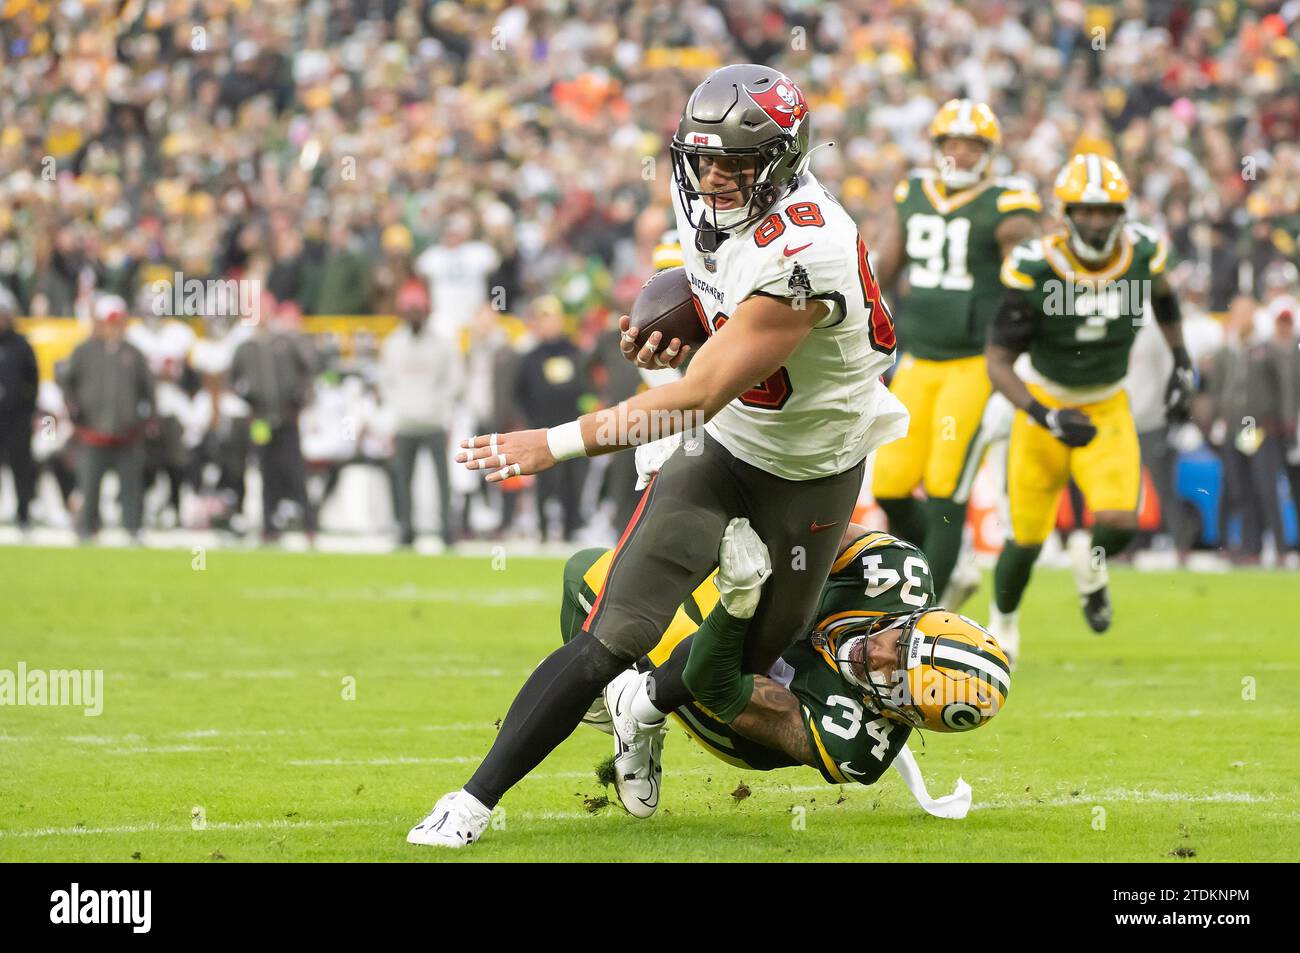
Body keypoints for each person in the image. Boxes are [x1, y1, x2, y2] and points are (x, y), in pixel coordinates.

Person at [409, 65, 907, 847]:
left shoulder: (811, 245)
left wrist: (555, 443)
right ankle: (471, 800)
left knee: (747, 661)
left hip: (815, 466)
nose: (713, 177)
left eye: (737, 163)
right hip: (725, 449)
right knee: (613, 633)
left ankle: (642, 707)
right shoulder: (704, 198)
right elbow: (708, 302)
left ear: (783, 161)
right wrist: (679, 317)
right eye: (703, 158)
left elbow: (694, 395)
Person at [561, 516, 1006, 818]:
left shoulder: (854, 745)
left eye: (898, 679)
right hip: (764, 629)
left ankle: (638, 713)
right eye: (903, 642)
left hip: (731, 713)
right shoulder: (896, 574)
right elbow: (801, 536)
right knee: (624, 566)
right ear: (919, 617)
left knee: (589, 575)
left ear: (905, 715)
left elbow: (712, 682)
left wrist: (741, 604)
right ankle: (617, 700)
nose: (882, 655)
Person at [985, 154, 1193, 663]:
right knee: (1025, 541)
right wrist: (1045, 415)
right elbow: (998, 360)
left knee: (1121, 523)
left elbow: (1164, 299)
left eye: (1106, 211)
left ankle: (1091, 564)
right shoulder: (1036, 265)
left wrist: (1182, 358)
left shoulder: (1144, 250)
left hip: (1106, 405)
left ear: (1122, 211)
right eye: (1086, 211)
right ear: (1067, 212)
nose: (1097, 222)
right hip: (1045, 406)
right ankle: (1003, 623)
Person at [869, 100, 1041, 606]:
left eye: (971, 145)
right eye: (952, 144)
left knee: (947, 488)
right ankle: (950, 562)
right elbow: (883, 271)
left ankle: (927, 610)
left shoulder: (1009, 203)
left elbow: (1027, 280)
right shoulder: (914, 191)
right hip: (919, 359)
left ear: (989, 152)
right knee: (891, 485)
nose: (960, 154)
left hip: (973, 363)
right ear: (938, 147)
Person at [60, 295, 156, 542]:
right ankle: (86, 529)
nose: (114, 328)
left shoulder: (134, 354)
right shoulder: (83, 351)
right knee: (89, 485)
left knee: (132, 486)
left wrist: (147, 419)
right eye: (110, 322)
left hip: (127, 433)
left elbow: (149, 390)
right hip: (91, 432)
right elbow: (67, 383)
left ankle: (133, 528)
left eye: (119, 322)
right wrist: (74, 410)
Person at [1207, 296, 1290, 563]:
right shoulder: (1225, 351)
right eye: (1238, 313)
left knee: (1264, 486)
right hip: (1233, 425)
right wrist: (1215, 418)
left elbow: (1282, 388)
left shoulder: (1265, 349)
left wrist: (1284, 421)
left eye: (1246, 313)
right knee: (1238, 487)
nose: (1241, 319)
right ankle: (1248, 546)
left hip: (1255, 425)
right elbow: (1217, 390)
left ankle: (1279, 547)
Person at [380, 279, 462, 548]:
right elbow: (386, 382)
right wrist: (397, 411)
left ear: (426, 312)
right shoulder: (392, 344)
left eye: (418, 310)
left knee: (443, 481)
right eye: (410, 310)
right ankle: (405, 529)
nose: (414, 316)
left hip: (434, 421)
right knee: (403, 481)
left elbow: (454, 381)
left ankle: (447, 529)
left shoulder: (441, 344)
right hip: (404, 423)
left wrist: (441, 409)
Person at [230, 309, 318, 542]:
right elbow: (233, 380)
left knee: (295, 471)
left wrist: (299, 399)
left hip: (287, 418)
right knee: (267, 472)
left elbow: (307, 371)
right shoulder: (246, 347)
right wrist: (247, 400)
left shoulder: (286, 343)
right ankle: (270, 527)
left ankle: (309, 525)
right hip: (260, 420)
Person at [513, 296, 592, 542]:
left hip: (573, 428)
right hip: (542, 430)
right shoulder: (530, 357)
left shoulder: (575, 352)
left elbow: (587, 387)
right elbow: (520, 393)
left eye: (551, 318)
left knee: (573, 481)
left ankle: (571, 528)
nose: (547, 324)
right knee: (545, 482)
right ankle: (544, 530)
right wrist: (528, 420)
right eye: (542, 319)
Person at [0, 285, 38, 530]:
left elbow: (32, 381)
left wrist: (25, 409)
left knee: (21, 467)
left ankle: (23, 514)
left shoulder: (22, 344)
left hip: (16, 418)